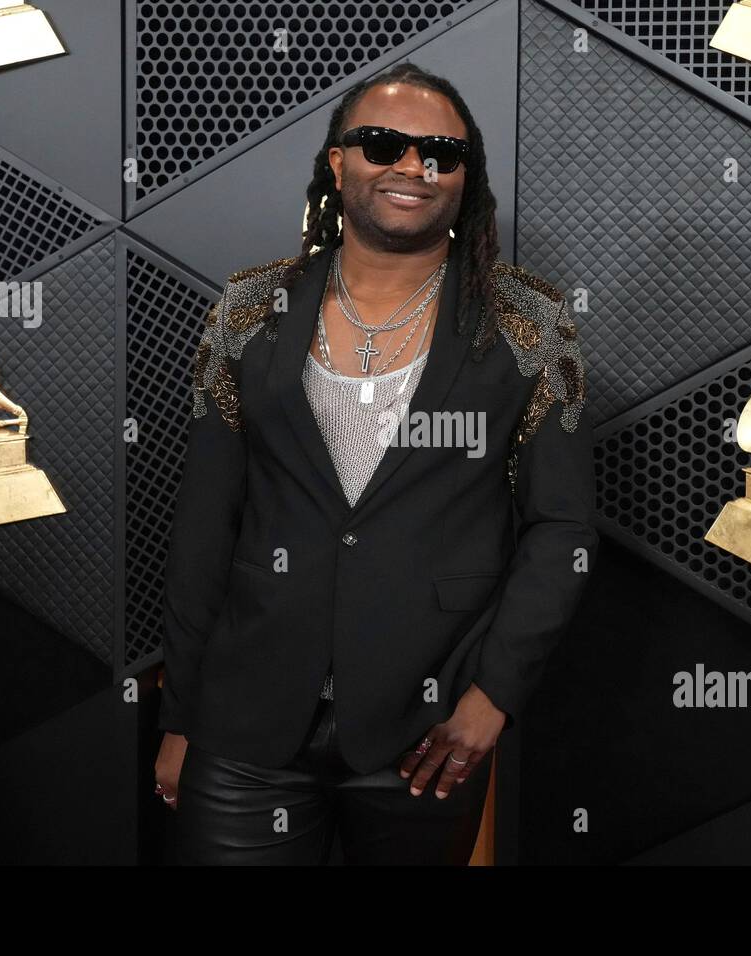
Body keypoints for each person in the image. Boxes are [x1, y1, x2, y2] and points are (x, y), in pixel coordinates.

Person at [152, 62, 598, 865]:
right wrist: (181, 716)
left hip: (422, 731)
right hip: (246, 724)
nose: (412, 167)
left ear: (465, 177)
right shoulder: (250, 308)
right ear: (338, 162)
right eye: (383, 144)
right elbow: (203, 524)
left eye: (440, 153)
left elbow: (560, 527)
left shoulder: (527, 321)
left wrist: (493, 698)